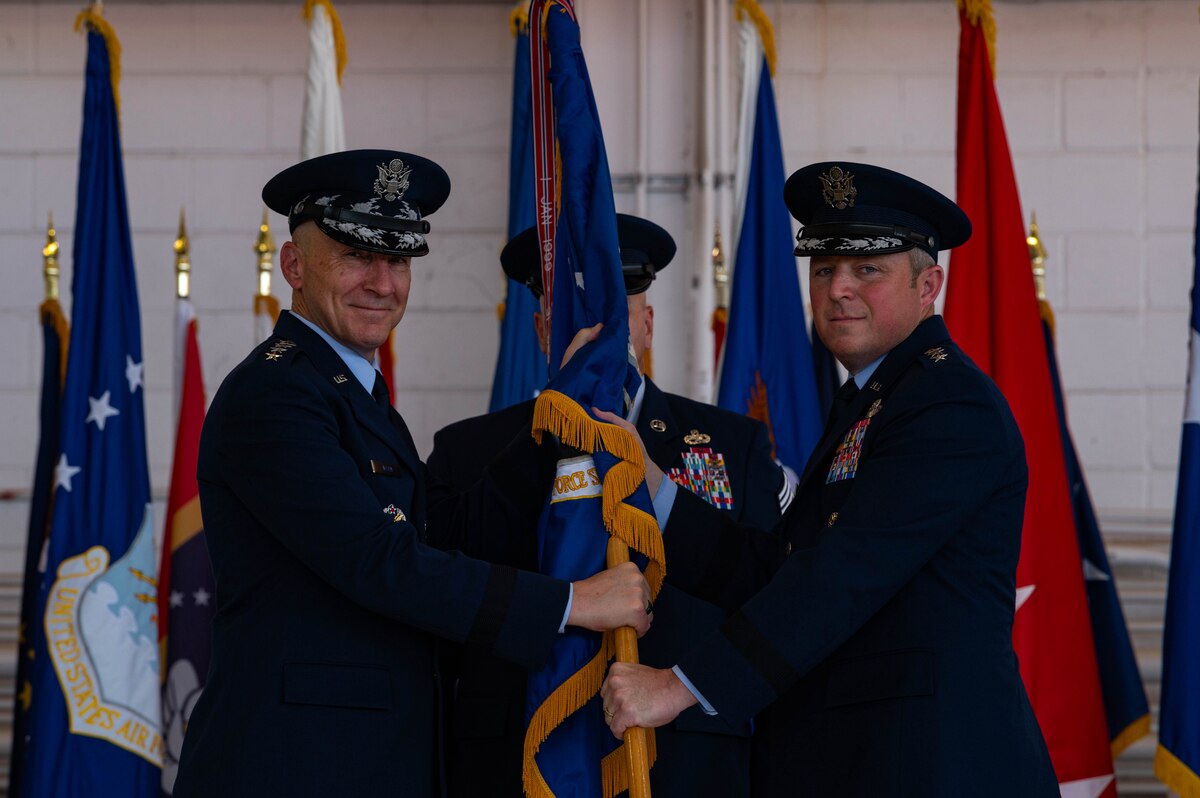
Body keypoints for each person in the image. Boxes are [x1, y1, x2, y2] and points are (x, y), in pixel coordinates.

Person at [172, 150, 652, 798]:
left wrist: (550, 424)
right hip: (295, 767)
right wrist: (574, 603)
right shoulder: (274, 394)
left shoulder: (352, 393)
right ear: (293, 266)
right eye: (354, 256)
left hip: (370, 763)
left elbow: (440, 535)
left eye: (396, 260)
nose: (382, 282)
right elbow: (383, 562)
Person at [599, 162, 1060, 796]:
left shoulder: (949, 404)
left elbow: (843, 575)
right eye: (823, 269)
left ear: (930, 285)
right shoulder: (874, 401)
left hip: (929, 767)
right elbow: (779, 568)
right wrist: (649, 484)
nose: (838, 288)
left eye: (867, 269)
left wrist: (679, 687)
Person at [426, 214, 790, 798]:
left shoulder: (733, 445)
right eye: (576, 316)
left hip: (689, 765)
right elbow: (443, 604)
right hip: (519, 763)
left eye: (618, 314)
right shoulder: (468, 451)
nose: (598, 333)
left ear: (647, 323)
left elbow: (773, 601)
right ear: (545, 331)